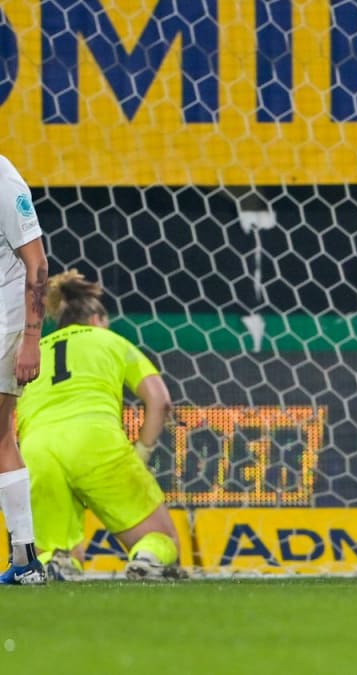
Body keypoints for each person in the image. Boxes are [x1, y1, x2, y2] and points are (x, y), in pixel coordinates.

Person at [15, 269, 185, 581]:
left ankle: (55, 566)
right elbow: (159, 400)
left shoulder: (32, 352)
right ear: (96, 320)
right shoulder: (110, 341)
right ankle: (147, 559)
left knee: (55, 554)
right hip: (95, 440)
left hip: (35, 448)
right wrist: (142, 453)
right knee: (163, 539)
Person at [0, 156, 48, 586]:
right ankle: (25, 558)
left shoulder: (2, 177)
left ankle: (26, 558)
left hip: (6, 316)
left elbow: (37, 263)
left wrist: (31, 338)